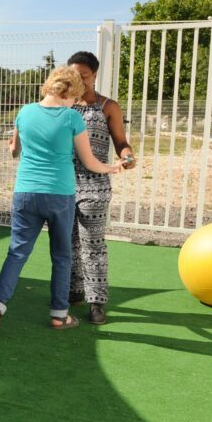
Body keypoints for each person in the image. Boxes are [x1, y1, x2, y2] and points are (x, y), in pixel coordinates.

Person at [0, 66, 122, 330]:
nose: (76, 102)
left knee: (17, 252)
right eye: (75, 97)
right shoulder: (71, 118)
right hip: (59, 195)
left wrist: (13, 147)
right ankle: (59, 315)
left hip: (26, 193)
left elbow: (14, 151)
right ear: (70, 92)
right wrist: (111, 167)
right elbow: (89, 162)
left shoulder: (25, 112)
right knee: (61, 256)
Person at [67, 51, 137, 325]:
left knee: (92, 244)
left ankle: (96, 302)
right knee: (66, 243)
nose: (78, 81)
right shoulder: (63, 105)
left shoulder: (108, 106)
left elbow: (121, 142)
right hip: (63, 185)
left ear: (94, 74)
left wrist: (127, 156)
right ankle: (73, 292)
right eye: (73, 76)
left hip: (95, 186)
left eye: (83, 76)